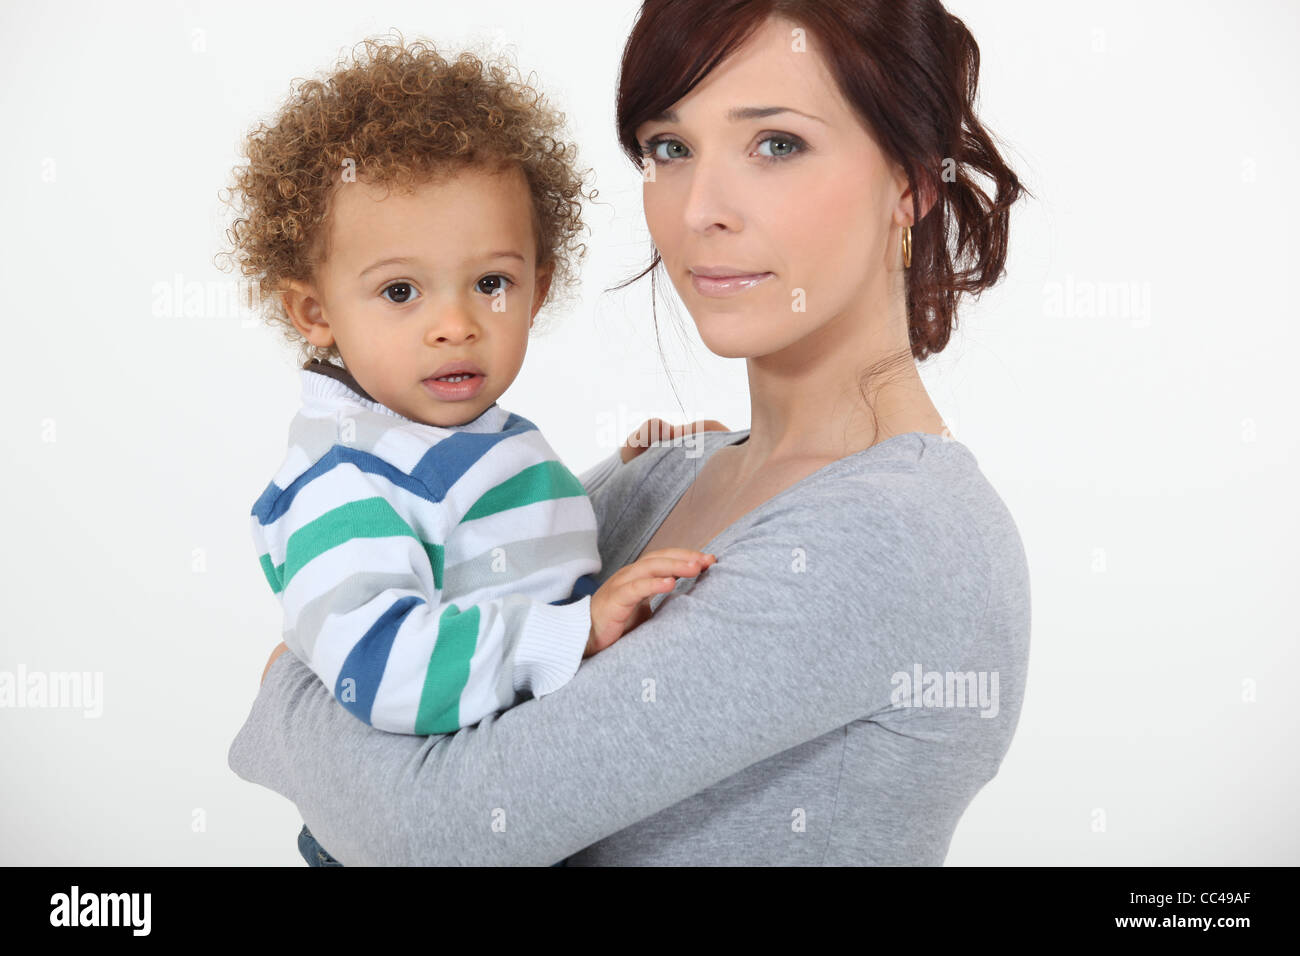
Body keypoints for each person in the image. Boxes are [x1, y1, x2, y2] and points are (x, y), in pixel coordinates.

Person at [229, 0, 1032, 865]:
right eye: (670, 149)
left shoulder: (897, 534)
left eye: (776, 145)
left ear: (911, 179)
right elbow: (424, 637)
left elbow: (431, 831)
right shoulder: (661, 474)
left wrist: (285, 696)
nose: (700, 211)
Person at [221, 36, 714, 865]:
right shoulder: (342, 481)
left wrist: (623, 474)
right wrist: (571, 635)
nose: (454, 323)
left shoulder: (456, 437)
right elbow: (382, 667)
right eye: (400, 291)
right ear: (315, 313)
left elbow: (495, 543)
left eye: (490, 283)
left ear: (538, 288)